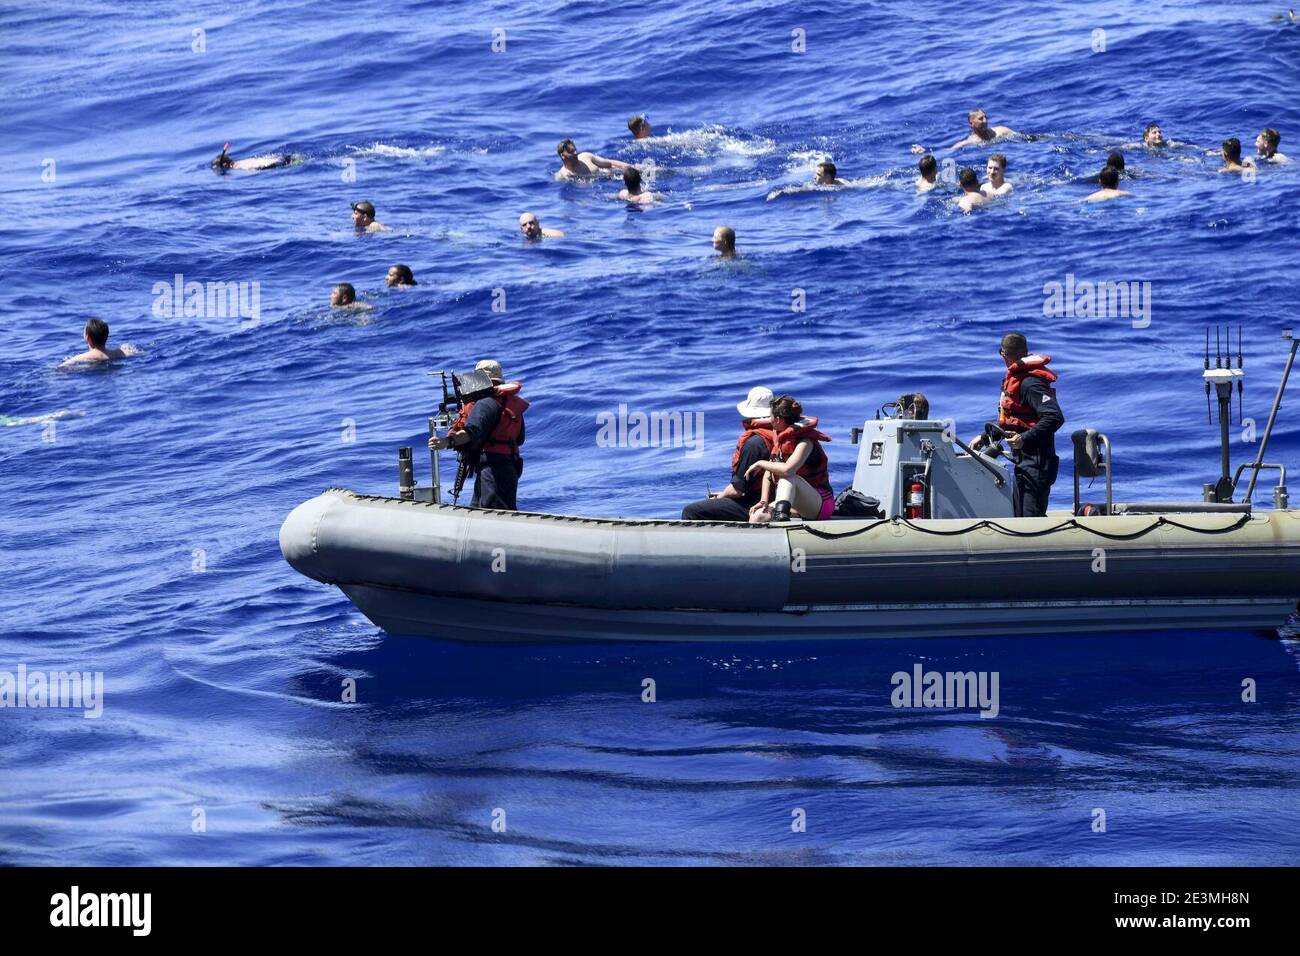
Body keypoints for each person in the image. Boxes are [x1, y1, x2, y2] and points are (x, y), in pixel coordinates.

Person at [969, 332, 1064, 518]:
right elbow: (1011, 420)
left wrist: (1024, 439)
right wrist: (984, 437)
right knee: (1019, 515)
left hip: (1037, 463)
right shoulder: (1015, 381)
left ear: (1003, 354)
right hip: (1023, 463)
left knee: (1030, 520)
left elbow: (1054, 417)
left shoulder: (1030, 384)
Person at [428, 360, 527, 510]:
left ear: (480, 379)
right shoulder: (510, 403)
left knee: (493, 515)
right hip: (509, 467)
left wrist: (446, 442)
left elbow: (470, 433)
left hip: (492, 470)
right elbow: (519, 439)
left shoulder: (485, 404)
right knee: (485, 510)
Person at [681, 386, 776, 521]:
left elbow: (736, 491)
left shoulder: (754, 443)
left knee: (691, 511)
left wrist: (719, 498)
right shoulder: (778, 434)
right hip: (775, 498)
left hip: (754, 503)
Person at [744, 395, 835, 523]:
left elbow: (788, 470)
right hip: (793, 503)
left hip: (820, 504)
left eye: (770, 416)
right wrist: (763, 501)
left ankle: (781, 518)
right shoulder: (780, 439)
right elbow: (769, 472)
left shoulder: (805, 442)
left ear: (778, 419)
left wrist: (760, 463)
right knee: (757, 516)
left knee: (788, 477)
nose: (769, 420)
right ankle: (776, 524)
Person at [60, 318, 138, 366]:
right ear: (107, 335)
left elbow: (61, 368)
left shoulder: (80, 358)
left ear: (88, 337)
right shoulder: (121, 352)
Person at [556, 139, 633, 178]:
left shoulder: (585, 156)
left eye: (575, 150)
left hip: (617, 174)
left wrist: (631, 167)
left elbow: (609, 163)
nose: (576, 153)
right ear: (563, 156)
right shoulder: (564, 175)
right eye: (571, 151)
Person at [950, 109, 1019, 149]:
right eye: (981, 119)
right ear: (971, 124)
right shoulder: (971, 142)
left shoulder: (1000, 131)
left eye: (986, 118)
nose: (985, 121)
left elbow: (1022, 137)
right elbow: (951, 150)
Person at [210, 142, 294, 172]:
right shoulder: (240, 162)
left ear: (225, 165)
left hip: (274, 163)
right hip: (273, 160)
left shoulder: (238, 167)